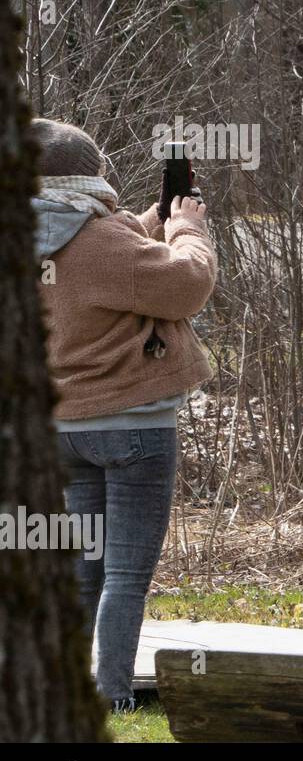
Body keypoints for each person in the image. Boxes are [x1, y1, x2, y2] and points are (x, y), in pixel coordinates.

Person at [31, 119, 217, 712]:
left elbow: (94, 265)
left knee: (86, 572)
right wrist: (187, 229)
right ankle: (111, 695)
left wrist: (150, 222)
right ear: (88, 178)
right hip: (133, 429)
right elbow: (186, 284)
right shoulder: (102, 243)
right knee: (126, 576)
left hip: (63, 429)